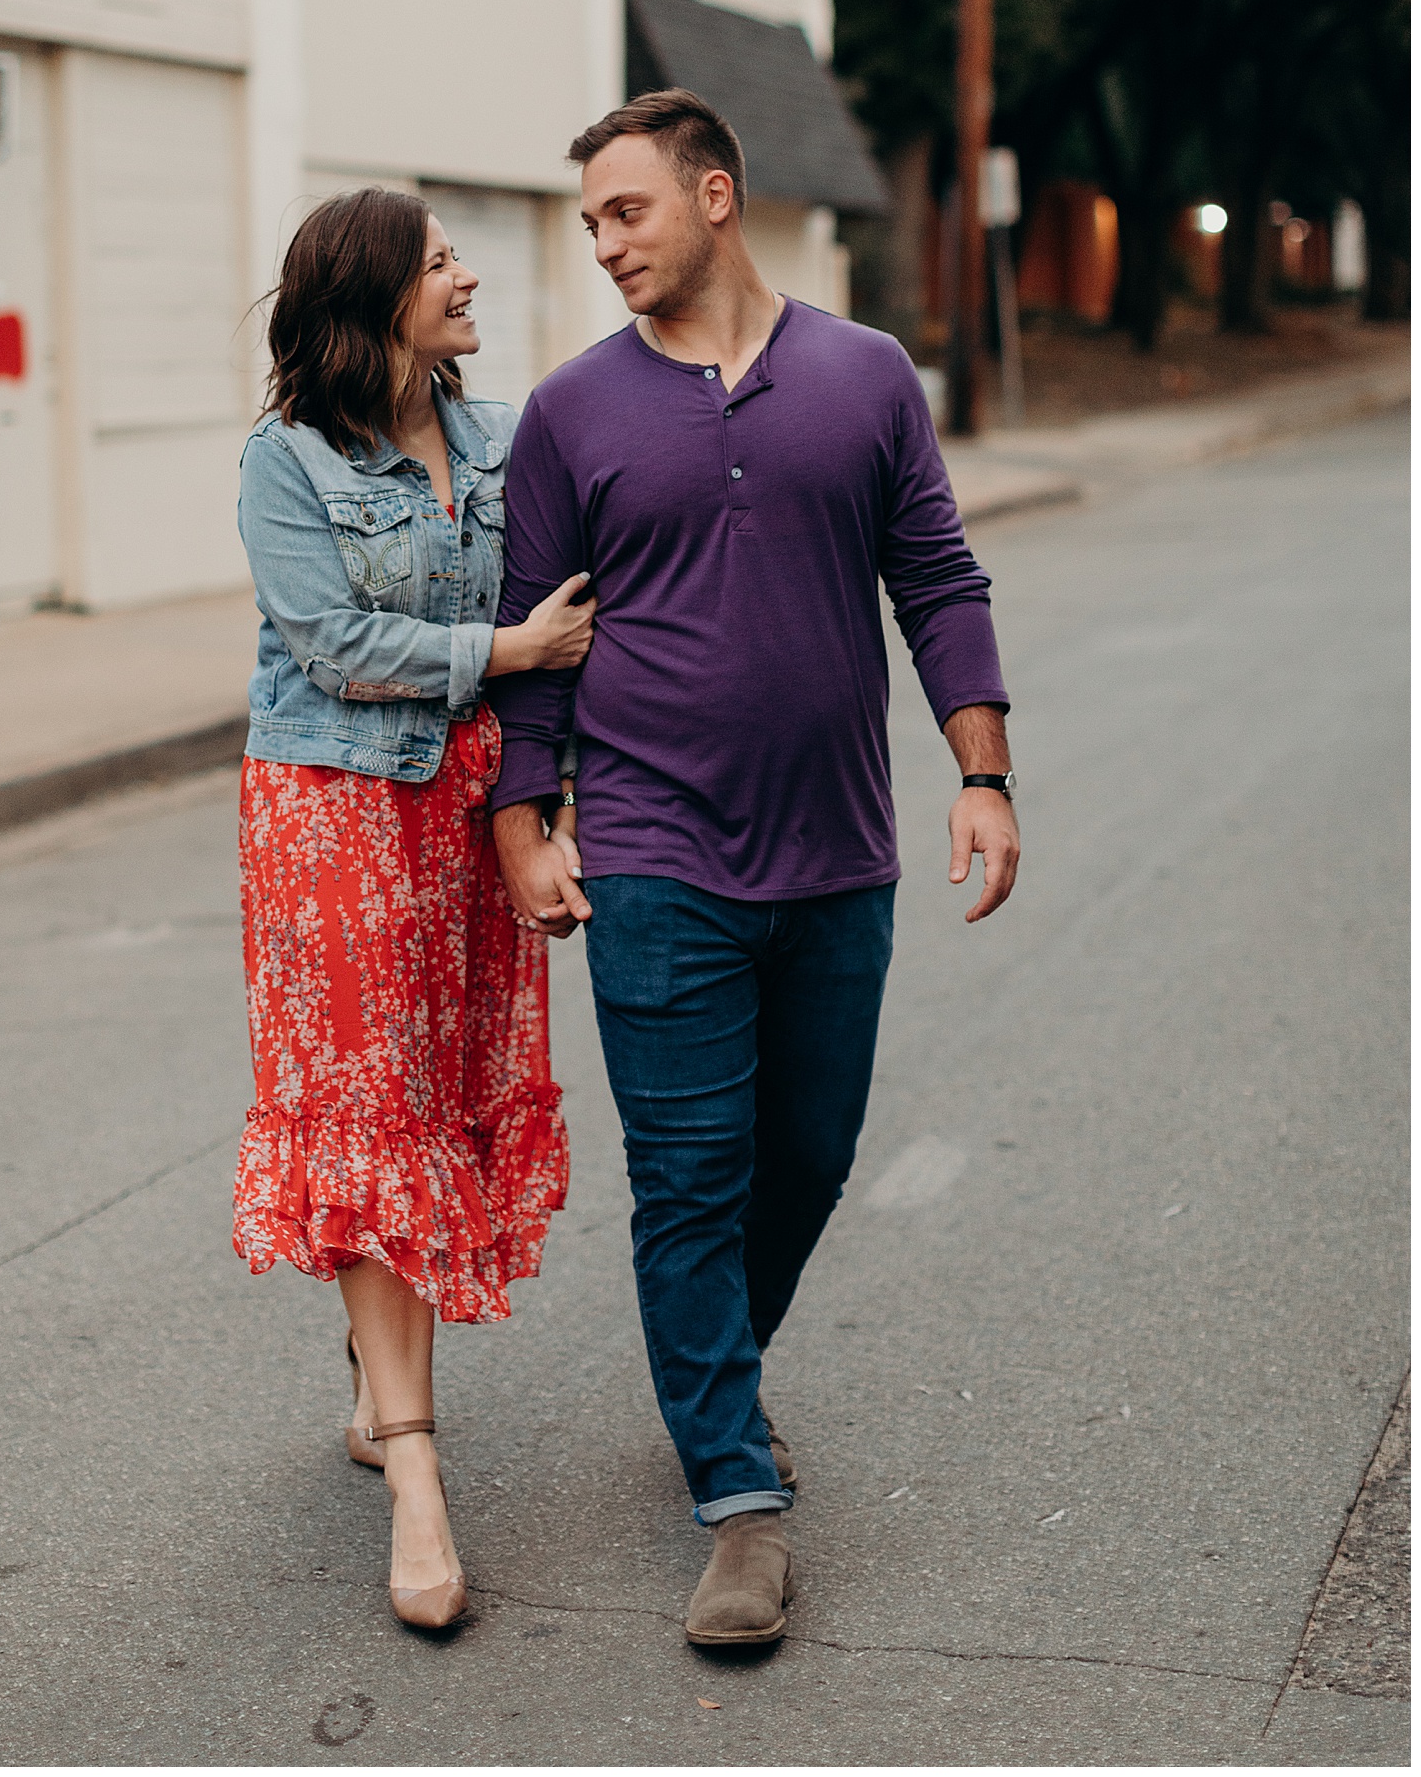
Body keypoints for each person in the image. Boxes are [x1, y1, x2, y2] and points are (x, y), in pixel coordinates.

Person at [487, 89, 1020, 1649]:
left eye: (626, 212)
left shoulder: (862, 378)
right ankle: (736, 1499)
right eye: (590, 222)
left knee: (806, 1152)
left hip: (837, 848)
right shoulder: (570, 413)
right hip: (653, 855)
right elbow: (535, 647)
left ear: (716, 195)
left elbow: (938, 579)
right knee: (685, 1181)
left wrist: (981, 774)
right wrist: (529, 821)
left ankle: (709, 1364)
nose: (604, 245)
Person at [234, 187, 591, 1634]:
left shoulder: (507, 438)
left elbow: (590, 592)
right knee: (369, 1112)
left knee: (422, 1102)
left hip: (467, 816)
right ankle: (421, 1482)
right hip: (335, 816)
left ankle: (378, 1382)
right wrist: (506, 644)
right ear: (375, 296)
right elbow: (332, 642)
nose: (468, 274)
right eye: (441, 260)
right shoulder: (286, 460)